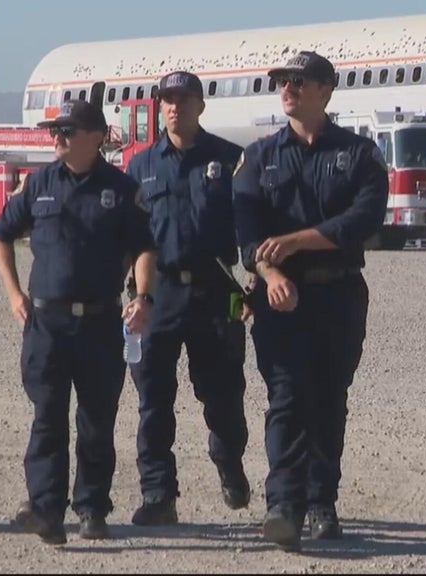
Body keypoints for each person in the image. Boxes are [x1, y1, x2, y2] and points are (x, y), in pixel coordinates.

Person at [232, 51, 388, 552]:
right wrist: (271, 271)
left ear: (325, 89)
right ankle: (283, 505)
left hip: (339, 293)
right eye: (281, 80)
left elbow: (360, 222)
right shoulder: (259, 157)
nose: (287, 88)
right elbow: (247, 231)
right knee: (286, 397)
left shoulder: (360, 155)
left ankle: (322, 502)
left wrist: (297, 241)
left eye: (298, 81)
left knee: (327, 397)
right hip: (280, 297)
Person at [0, 99, 157, 544]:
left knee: (96, 421)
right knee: (47, 416)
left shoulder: (121, 190)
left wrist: (142, 297)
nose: (58, 138)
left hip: (100, 323)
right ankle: (46, 510)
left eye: (67, 130)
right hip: (47, 323)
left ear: (96, 136)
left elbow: (144, 247)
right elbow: (1, 234)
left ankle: (91, 508)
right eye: (54, 131)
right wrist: (13, 294)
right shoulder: (39, 184)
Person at [123, 71, 252, 526]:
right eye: (167, 99)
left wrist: (254, 281)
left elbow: (252, 227)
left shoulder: (229, 161)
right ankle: (158, 494)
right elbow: (126, 238)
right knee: (153, 398)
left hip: (215, 293)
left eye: (183, 98)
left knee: (222, 395)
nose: (174, 106)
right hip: (157, 294)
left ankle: (228, 461)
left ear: (201, 105)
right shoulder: (139, 167)